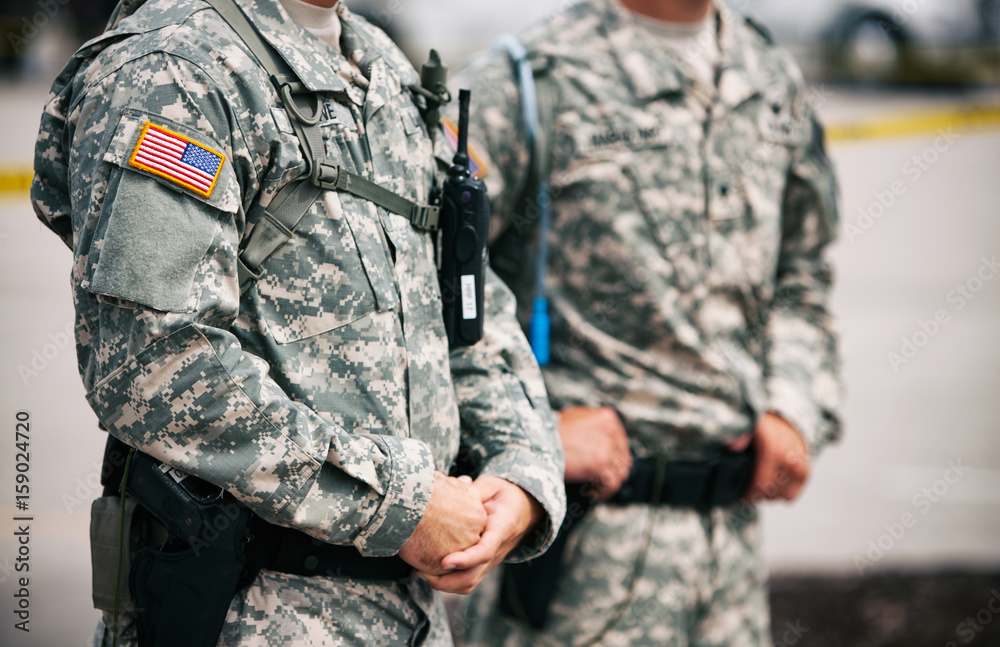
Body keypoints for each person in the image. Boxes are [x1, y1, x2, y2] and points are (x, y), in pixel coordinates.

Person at [30, 0, 566, 645]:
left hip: (411, 615)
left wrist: (522, 474)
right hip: (252, 612)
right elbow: (152, 364)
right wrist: (401, 503)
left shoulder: (378, 65)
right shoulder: (174, 68)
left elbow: (467, 311)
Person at [451, 0, 842, 644]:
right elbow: (427, 296)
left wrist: (792, 405)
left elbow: (803, 273)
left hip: (733, 543)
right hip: (587, 553)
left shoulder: (768, 76)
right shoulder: (524, 83)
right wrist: (530, 439)